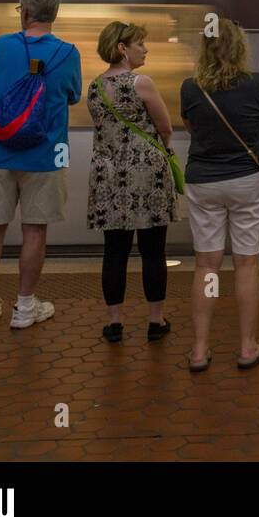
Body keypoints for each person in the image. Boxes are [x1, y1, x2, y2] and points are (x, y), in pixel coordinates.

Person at [0, 0, 83, 329]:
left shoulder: (2, 45)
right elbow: (73, 96)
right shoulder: (69, 53)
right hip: (46, 155)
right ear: (54, 15)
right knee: (34, 231)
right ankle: (23, 307)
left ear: (24, 12)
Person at [180, 19, 259, 371]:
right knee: (246, 263)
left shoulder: (191, 88)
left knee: (207, 266)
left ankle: (201, 350)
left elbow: (193, 130)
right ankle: (248, 347)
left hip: (203, 180)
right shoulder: (258, 84)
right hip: (246, 181)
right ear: (240, 48)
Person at [87, 22, 176, 343]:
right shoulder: (142, 83)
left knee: (114, 252)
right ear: (122, 48)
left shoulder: (94, 86)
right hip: (146, 176)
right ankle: (155, 321)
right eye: (141, 44)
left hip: (108, 177)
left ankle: (114, 323)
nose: (146, 49)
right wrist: (164, 150)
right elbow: (165, 127)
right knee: (153, 251)